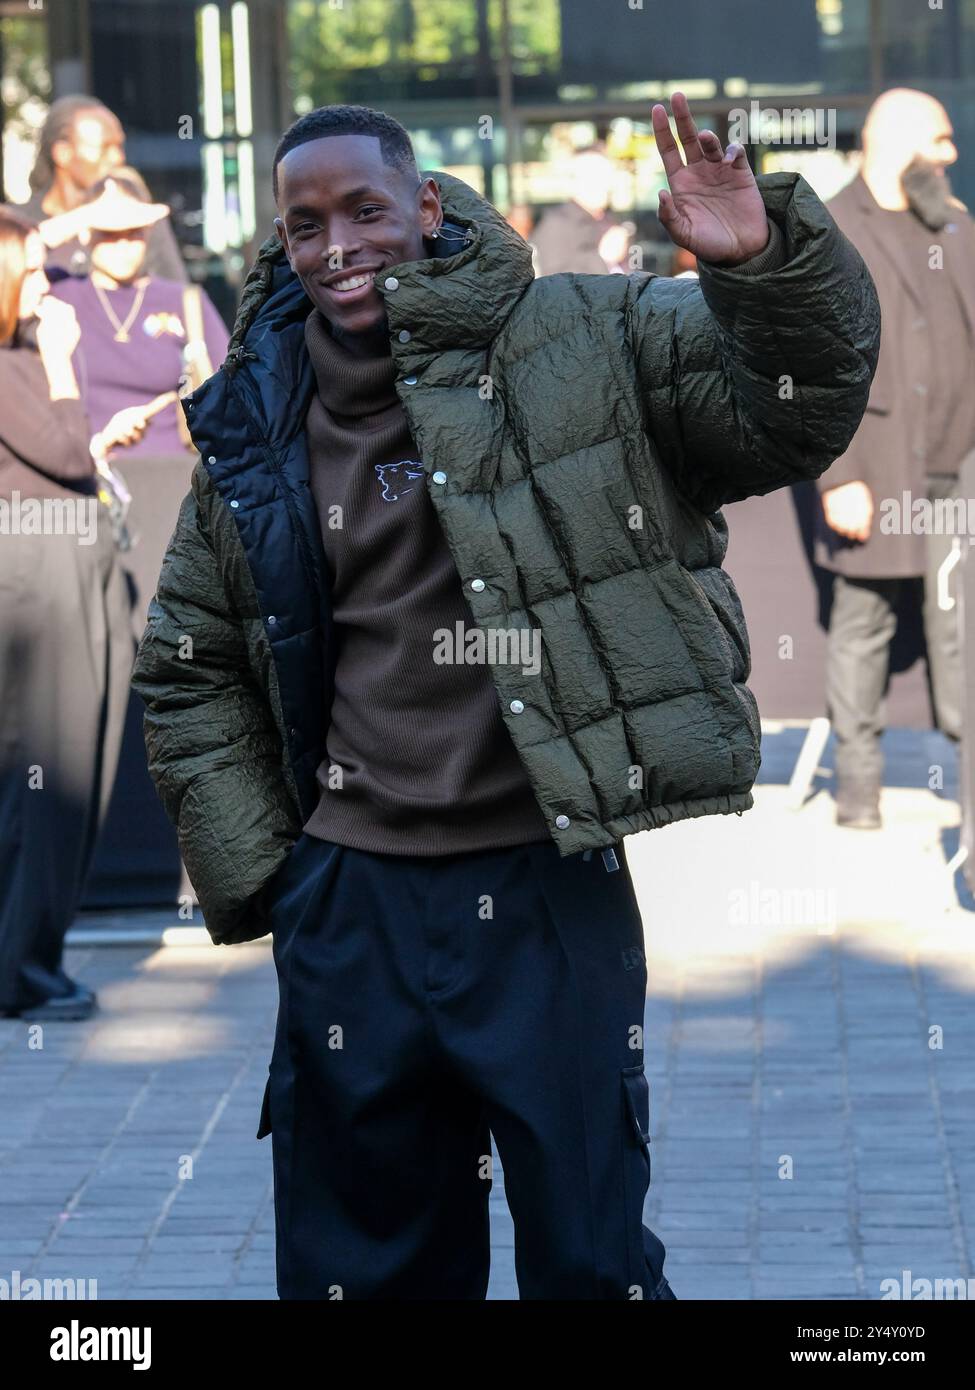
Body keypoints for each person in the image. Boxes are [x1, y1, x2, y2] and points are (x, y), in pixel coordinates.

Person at [131, 96, 880, 1300]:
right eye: (308, 222)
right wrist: (277, 876)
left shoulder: (582, 332)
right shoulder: (255, 416)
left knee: (590, 1262)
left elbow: (788, 415)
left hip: (544, 896)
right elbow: (188, 659)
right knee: (363, 1270)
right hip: (350, 912)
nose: (339, 247)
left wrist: (762, 268)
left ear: (427, 206)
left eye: (368, 210)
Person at [46, 173, 229, 905]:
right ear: (86, 232)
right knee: (96, 677)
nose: (121, 243)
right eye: (107, 229)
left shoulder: (178, 300)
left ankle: (188, 867)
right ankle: (92, 868)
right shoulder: (56, 299)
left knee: (173, 675)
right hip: (88, 494)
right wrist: (73, 220)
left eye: (133, 229)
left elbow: (223, 394)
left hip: (171, 496)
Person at [816, 88, 975, 828]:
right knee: (864, 620)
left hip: (959, 464)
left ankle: (964, 779)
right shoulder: (827, 227)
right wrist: (838, 474)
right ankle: (858, 789)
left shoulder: (949, 219)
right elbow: (808, 363)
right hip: (873, 467)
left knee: (958, 625)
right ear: (898, 139)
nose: (948, 154)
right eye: (938, 140)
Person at [0, 211, 131, 1021]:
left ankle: (27, 959)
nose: (49, 287)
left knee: (58, 777)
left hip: (60, 562)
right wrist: (60, 364)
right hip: (36, 573)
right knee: (51, 777)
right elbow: (64, 453)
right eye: (34, 270)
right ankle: (22, 968)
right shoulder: (24, 361)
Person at [14, 95, 186, 283]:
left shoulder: (138, 219)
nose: (117, 158)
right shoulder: (16, 222)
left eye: (119, 146)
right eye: (105, 147)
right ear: (63, 153)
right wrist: (85, 217)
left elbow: (176, 295)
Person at [531, 143, 631, 274]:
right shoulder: (557, 224)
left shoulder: (607, 219)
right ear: (573, 182)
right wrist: (604, 258)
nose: (606, 184)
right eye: (595, 177)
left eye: (607, 176)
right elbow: (554, 284)